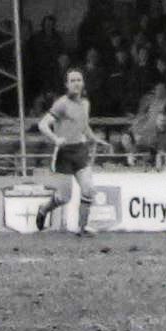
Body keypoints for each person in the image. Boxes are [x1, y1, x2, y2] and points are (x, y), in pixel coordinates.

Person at [33, 69, 104, 236]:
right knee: (64, 197)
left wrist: (94, 138)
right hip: (64, 153)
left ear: (83, 83)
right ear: (67, 84)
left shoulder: (85, 104)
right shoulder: (62, 104)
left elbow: (84, 126)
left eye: (79, 80)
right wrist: (55, 138)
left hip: (80, 150)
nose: (76, 83)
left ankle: (82, 228)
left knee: (88, 189)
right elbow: (43, 124)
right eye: (72, 80)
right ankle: (43, 209)